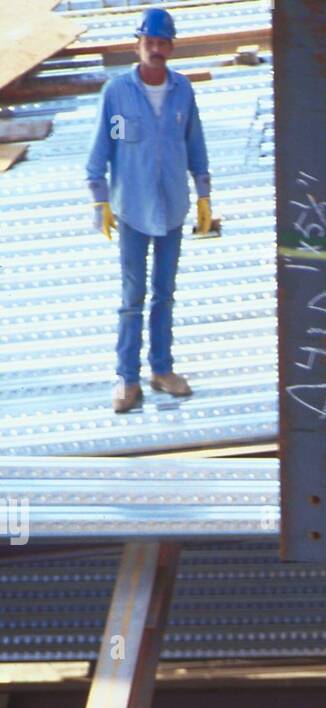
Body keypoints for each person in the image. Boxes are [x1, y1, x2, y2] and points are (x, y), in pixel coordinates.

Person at [85, 7, 213, 413]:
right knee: (132, 295)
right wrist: (100, 200)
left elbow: (196, 145)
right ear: (137, 45)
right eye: (148, 42)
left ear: (171, 47)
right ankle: (127, 378)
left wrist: (205, 194)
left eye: (162, 43)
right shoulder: (117, 94)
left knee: (164, 294)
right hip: (133, 211)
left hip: (172, 207)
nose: (155, 49)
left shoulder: (183, 92)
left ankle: (162, 369)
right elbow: (101, 153)